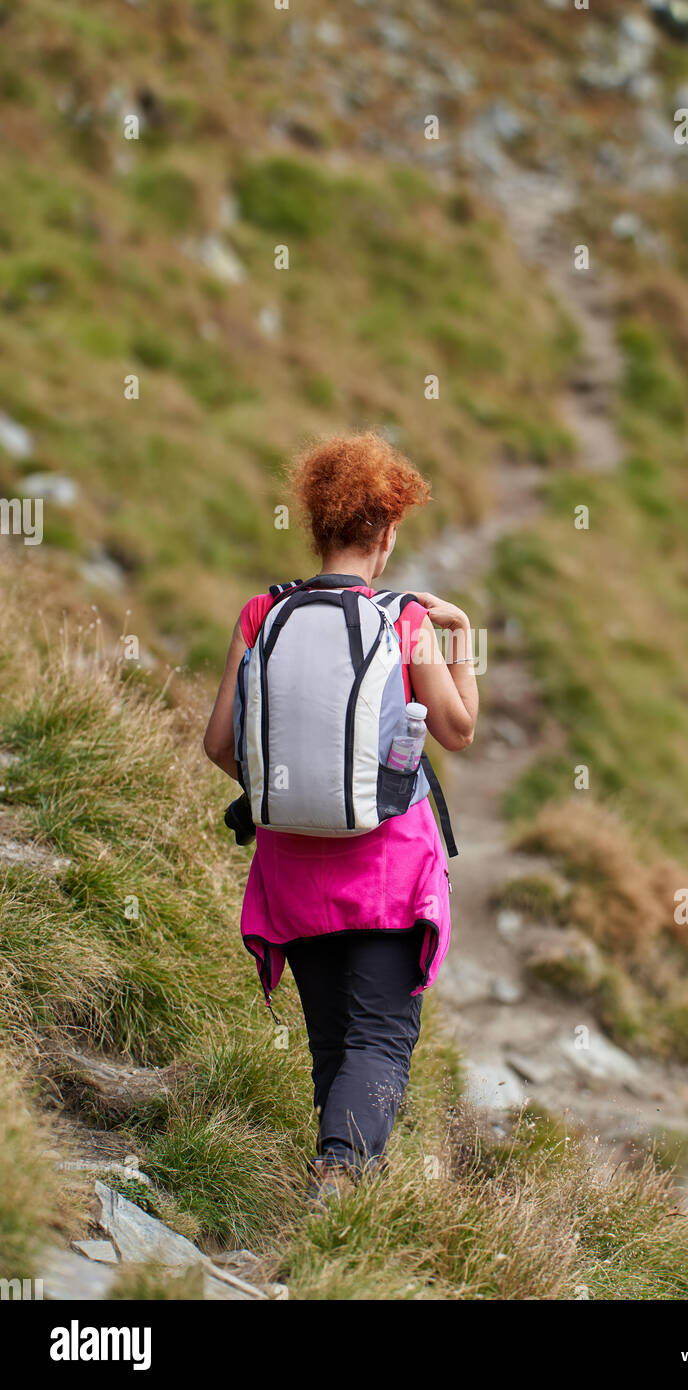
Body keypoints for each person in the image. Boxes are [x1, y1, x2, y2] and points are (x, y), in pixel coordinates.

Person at [203, 432, 478, 1204]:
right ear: (387, 534)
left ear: (315, 523)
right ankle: (341, 1180)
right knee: (381, 1038)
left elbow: (220, 744)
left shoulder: (262, 614)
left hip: (292, 868)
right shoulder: (406, 620)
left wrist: (295, 793)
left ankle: (337, 1185)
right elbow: (457, 730)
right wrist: (459, 638)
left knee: (334, 1042)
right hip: (388, 871)